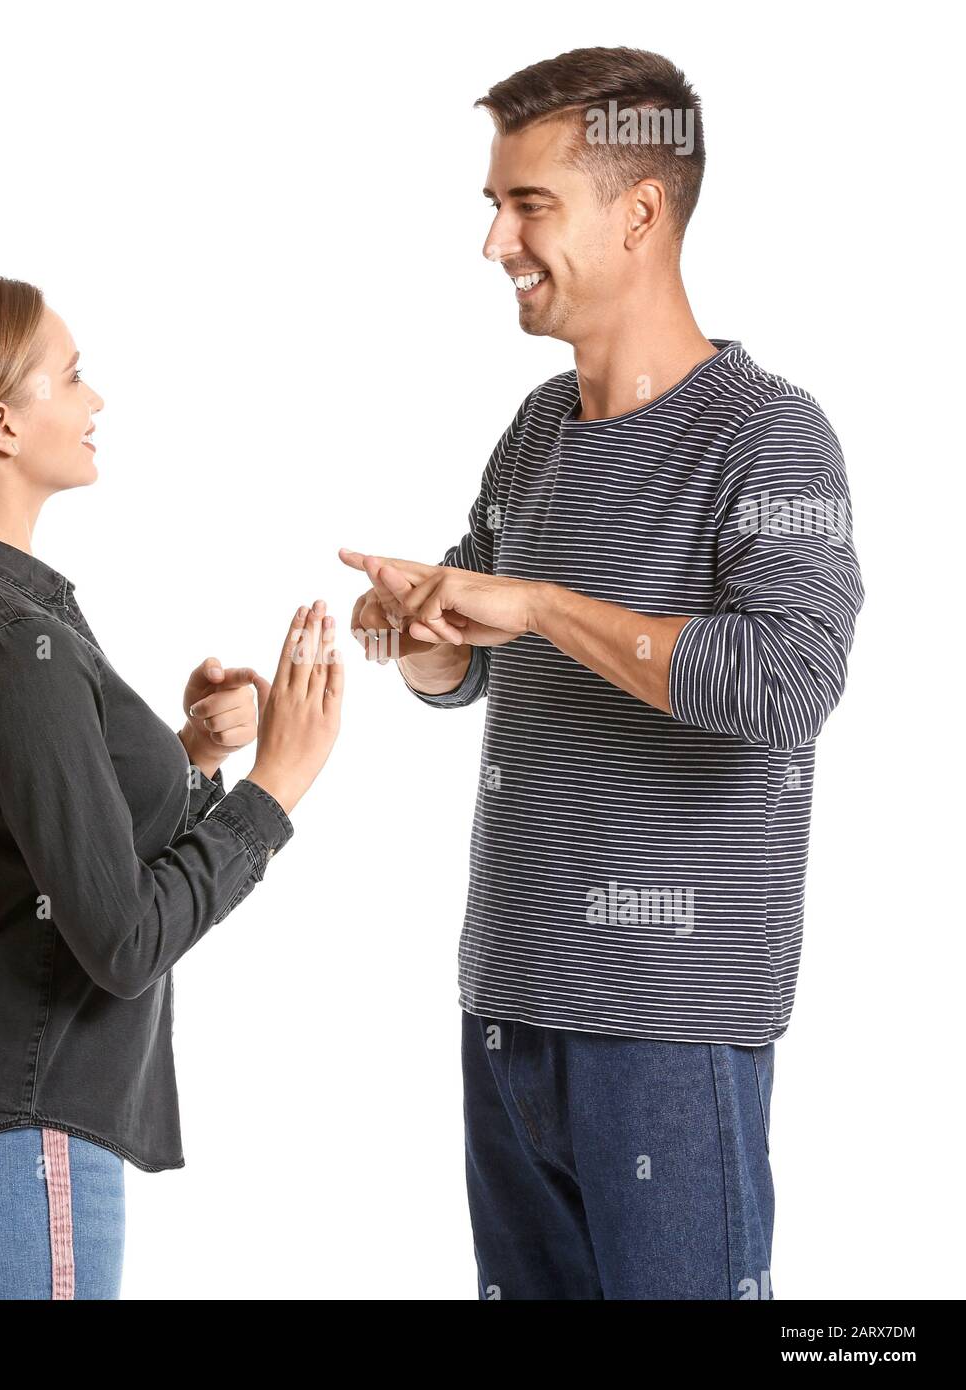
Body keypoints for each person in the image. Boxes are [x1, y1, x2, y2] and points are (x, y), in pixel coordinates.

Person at [342, 47, 863, 1300]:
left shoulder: (768, 433)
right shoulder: (534, 431)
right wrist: (425, 641)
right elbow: (477, 662)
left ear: (638, 213)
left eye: (527, 206)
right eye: (492, 204)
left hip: (667, 1030)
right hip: (505, 1003)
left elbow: (786, 680)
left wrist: (531, 603)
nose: (493, 243)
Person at [0, 275, 343, 1299]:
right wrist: (273, 790)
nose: (96, 400)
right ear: (1, 424)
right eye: (73, 374)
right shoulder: (18, 642)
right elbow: (123, 940)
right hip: (21, 1139)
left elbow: (51, 858)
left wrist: (188, 758)